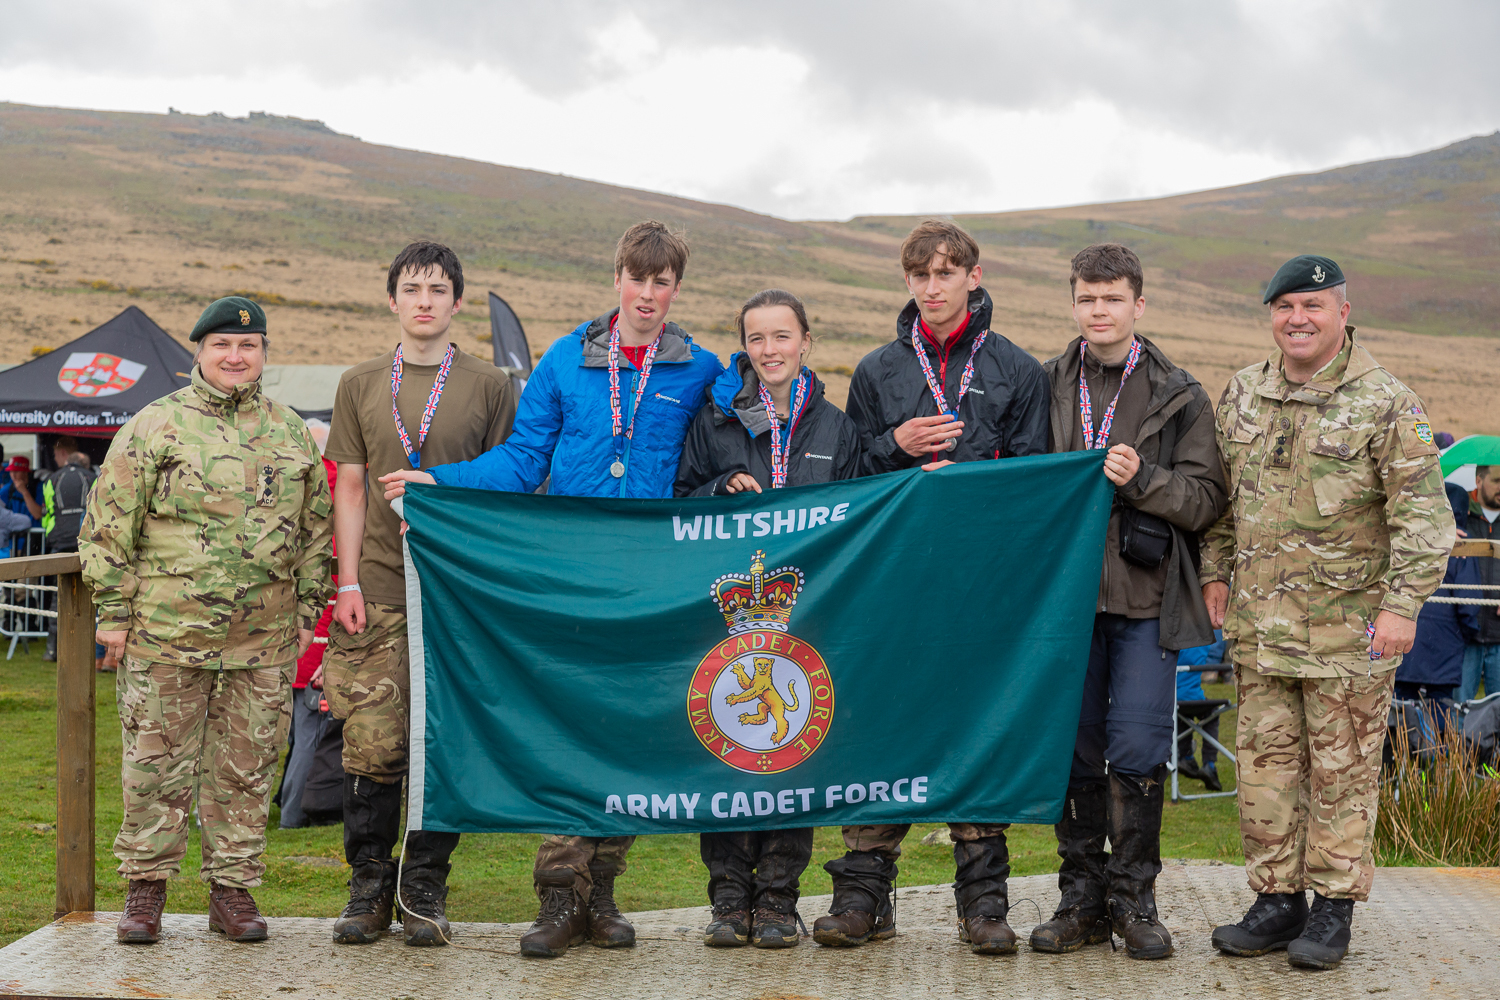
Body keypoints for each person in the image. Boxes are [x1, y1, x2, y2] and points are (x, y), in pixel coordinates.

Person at [382, 220, 725, 959]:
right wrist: (440, 482)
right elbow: (523, 458)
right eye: (637, 278)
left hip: (650, 577)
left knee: (628, 725)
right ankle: (557, 895)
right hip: (572, 568)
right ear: (617, 280)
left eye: (662, 282)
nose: (647, 293)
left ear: (675, 289)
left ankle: (603, 894)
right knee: (570, 721)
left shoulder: (700, 368)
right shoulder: (567, 360)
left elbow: (746, 425)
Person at [1202, 255, 1452, 970]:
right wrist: (1214, 576)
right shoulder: (1245, 392)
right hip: (1260, 630)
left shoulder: (1385, 401)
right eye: (1284, 307)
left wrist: (1403, 607)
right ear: (1271, 317)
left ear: (1344, 312)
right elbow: (1222, 505)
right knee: (1266, 771)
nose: (1298, 319)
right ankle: (1277, 902)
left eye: (1313, 305)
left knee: (1341, 774)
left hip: (1350, 633)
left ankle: (1333, 909)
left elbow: (1424, 520)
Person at [813, 219, 1050, 955]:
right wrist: (895, 446)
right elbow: (848, 482)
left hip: (980, 585)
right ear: (907, 283)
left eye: (947, 272)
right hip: (893, 583)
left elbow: (1037, 479)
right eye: (920, 275)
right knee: (883, 724)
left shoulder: (1018, 369)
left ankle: (982, 902)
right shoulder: (878, 369)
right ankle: (863, 894)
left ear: (974, 276)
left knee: (972, 728)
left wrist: (972, 482)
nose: (933, 286)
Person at [79, 296, 332, 946]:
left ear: (264, 356)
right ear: (200, 352)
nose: (236, 356)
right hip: (165, 635)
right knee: (155, 765)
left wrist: (305, 616)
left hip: (264, 642)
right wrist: (112, 614)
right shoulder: (155, 426)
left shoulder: (290, 433)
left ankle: (232, 892)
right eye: (222, 345)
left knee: (244, 770)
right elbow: (108, 527)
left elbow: (314, 532)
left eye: (249, 347)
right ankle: (146, 891)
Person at [1028, 243, 1227, 961]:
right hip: (1066, 604)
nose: (1099, 310)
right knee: (1075, 754)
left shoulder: (1181, 392)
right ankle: (1080, 900)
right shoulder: (1045, 383)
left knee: (1138, 751)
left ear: (1138, 304)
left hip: (1147, 603)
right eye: (1087, 298)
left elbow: (1206, 502)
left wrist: (1143, 478)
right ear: (1073, 302)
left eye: (1113, 298)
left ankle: (1135, 901)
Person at [321, 242, 517, 947]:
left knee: (445, 743)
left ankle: (423, 886)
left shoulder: (491, 385)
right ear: (393, 299)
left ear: (458, 301)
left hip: (457, 590)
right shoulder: (360, 381)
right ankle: (368, 884)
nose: (425, 300)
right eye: (412, 288)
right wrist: (345, 580)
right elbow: (347, 481)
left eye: (438, 288)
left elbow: (507, 481)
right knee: (372, 744)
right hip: (375, 585)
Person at [673, 289, 861, 949]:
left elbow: (859, 519)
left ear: (805, 341)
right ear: (745, 347)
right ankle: (728, 900)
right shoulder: (716, 421)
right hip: (724, 618)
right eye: (757, 339)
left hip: (807, 620)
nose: (770, 350)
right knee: (724, 748)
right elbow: (677, 503)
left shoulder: (837, 428)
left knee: (794, 752)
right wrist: (715, 490)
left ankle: (779, 900)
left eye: (782, 336)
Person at [278, 421, 340, 829]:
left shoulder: (292, 491)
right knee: (309, 734)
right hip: (317, 641)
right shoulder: (345, 494)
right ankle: (294, 814)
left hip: (284, 636)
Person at [43, 436, 98, 661]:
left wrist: (51, 534)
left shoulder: (52, 479)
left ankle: (52, 650)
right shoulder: (93, 478)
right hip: (84, 542)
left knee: (59, 597)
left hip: (59, 543)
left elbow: (48, 510)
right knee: (91, 594)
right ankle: (86, 651)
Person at [1457, 465, 1500, 702]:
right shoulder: (1456, 515)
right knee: (1458, 710)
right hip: (1465, 632)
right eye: (1497, 481)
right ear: (1479, 480)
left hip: (1499, 633)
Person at [1174, 632, 1226, 792]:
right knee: (1211, 712)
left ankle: (1185, 756)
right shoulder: (1203, 641)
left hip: (1171, 699)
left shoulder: (1172, 640)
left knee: (1182, 713)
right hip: (1191, 697)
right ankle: (1209, 764)